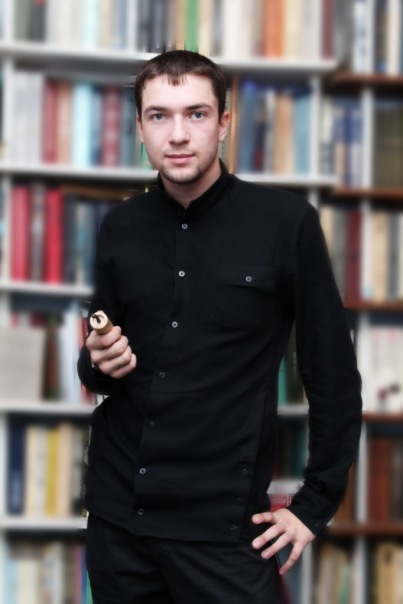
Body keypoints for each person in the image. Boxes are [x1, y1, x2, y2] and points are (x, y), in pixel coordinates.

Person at [77, 50, 362, 604]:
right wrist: (96, 361)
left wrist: (315, 505)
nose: (178, 134)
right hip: (118, 523)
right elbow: (100, 366)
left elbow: (332, 374)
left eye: (197, 114)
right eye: (159, 116)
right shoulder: (120, 226)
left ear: (224, 123)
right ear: (139, 128)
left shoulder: (287, 223)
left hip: (223, 532)